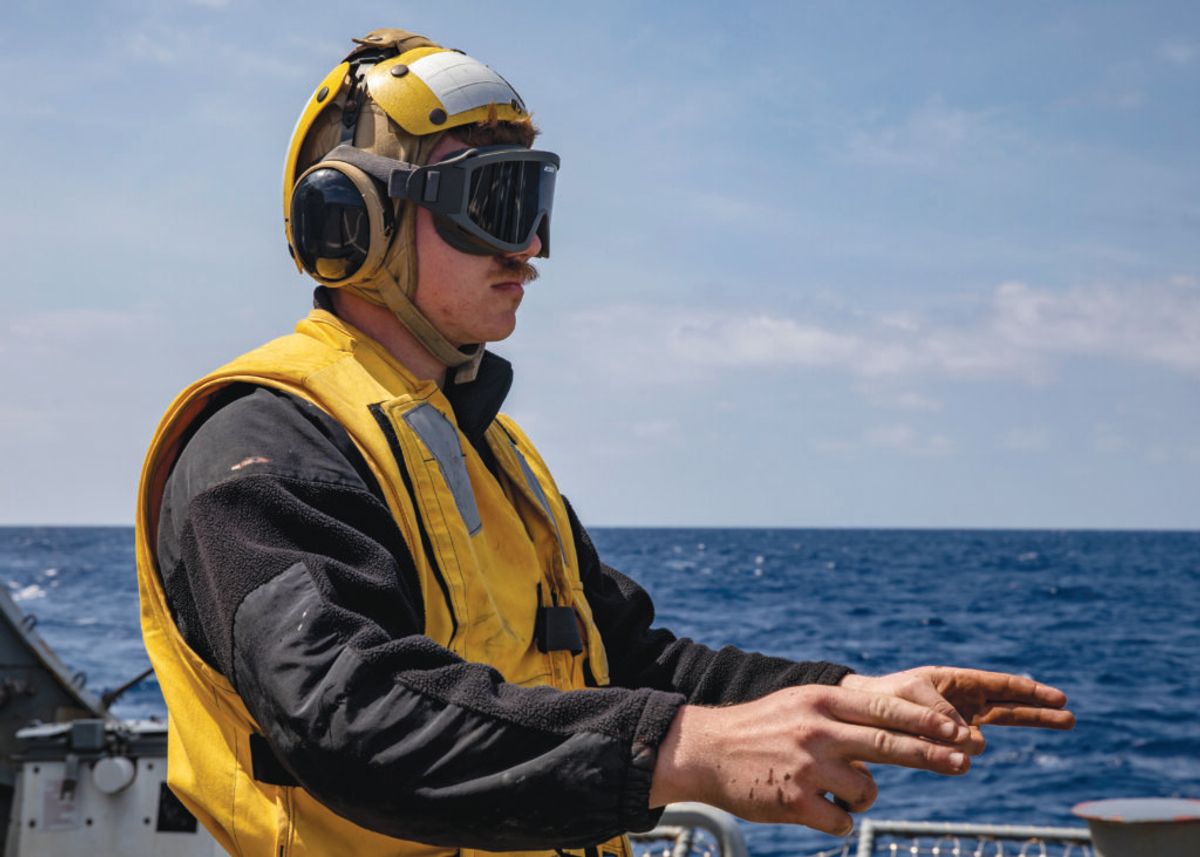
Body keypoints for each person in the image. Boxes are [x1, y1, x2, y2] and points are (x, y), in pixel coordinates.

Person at [134, 28, 1075, 857]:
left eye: (536, 203)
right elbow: (350, 717)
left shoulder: (485, 450)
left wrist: (848, 696)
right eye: (494, 203)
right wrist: (686, 751)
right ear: (356, 218)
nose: (530, 247)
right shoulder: (261, 443)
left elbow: (627, 662)